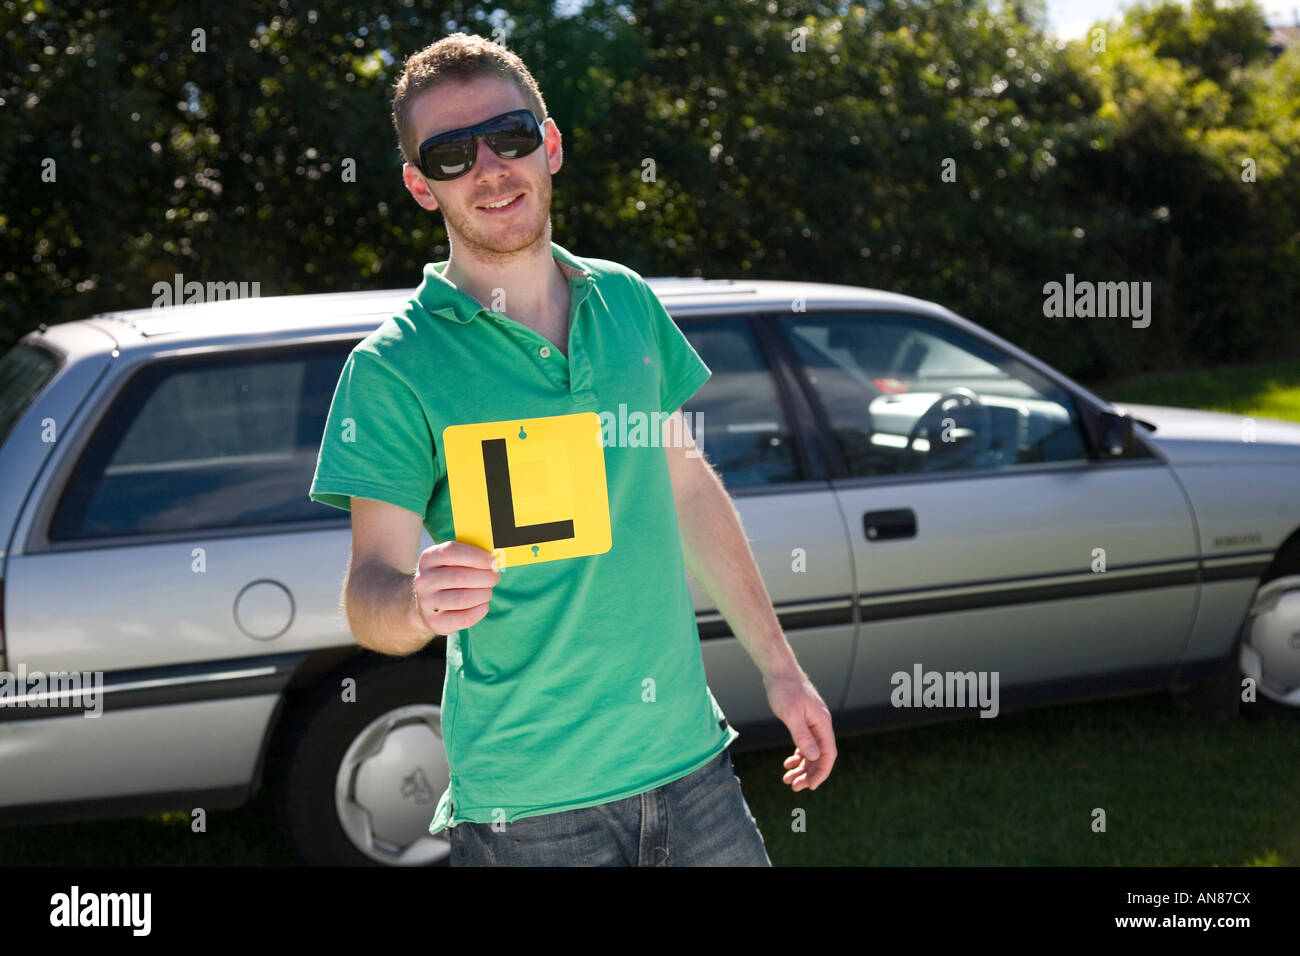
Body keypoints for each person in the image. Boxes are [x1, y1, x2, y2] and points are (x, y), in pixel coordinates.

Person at [309, 32, 836, 866]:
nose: (489, 167)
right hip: (532, 812)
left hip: (692, 768)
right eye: (451, 153)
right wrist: (415, 602)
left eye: (510, 136)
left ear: (549, 145)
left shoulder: (624, 300)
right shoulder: (391, 368)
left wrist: (782, 668)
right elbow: (366, 590)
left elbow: (687, 487)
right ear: (420, 184)